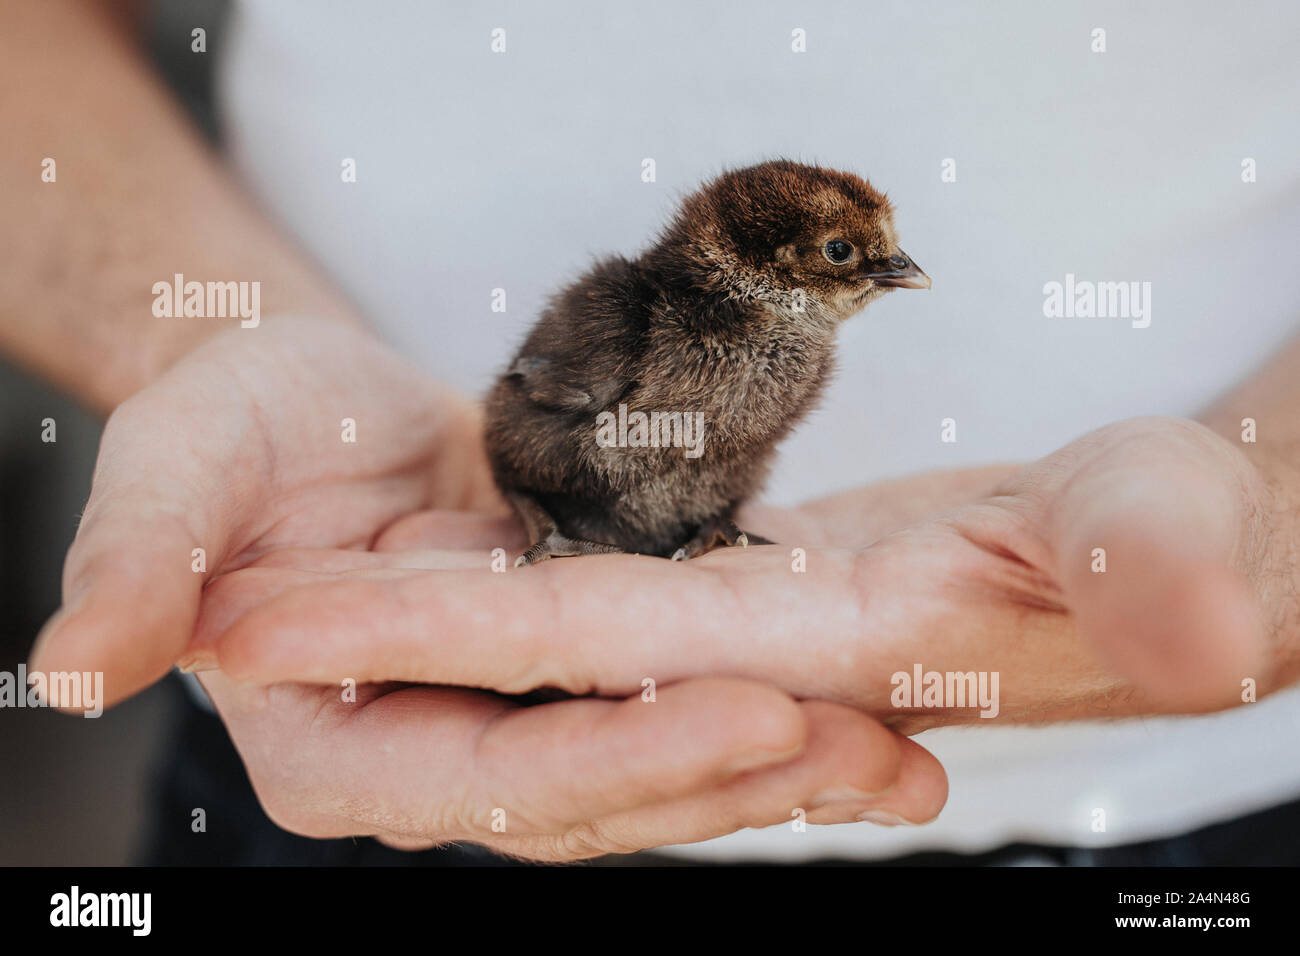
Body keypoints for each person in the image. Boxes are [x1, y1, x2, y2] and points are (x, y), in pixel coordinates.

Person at [5, 0, 1299, 863]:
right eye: (854, 258)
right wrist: (202, 337)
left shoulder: (765, 342)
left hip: (1196, 807)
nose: (884, 275)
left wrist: (1275, 492)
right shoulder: (641, 320)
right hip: (354, 692)